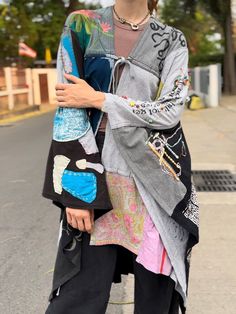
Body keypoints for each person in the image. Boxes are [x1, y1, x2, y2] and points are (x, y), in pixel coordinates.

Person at [43, 0, 200, 313]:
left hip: (154, 182)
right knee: (79, 294)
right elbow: (69, 107)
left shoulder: (171, 39)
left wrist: (100, 99)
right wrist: (76, 192)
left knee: (156, 293)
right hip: (94, 175)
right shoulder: (82, 24)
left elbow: (170, 111)